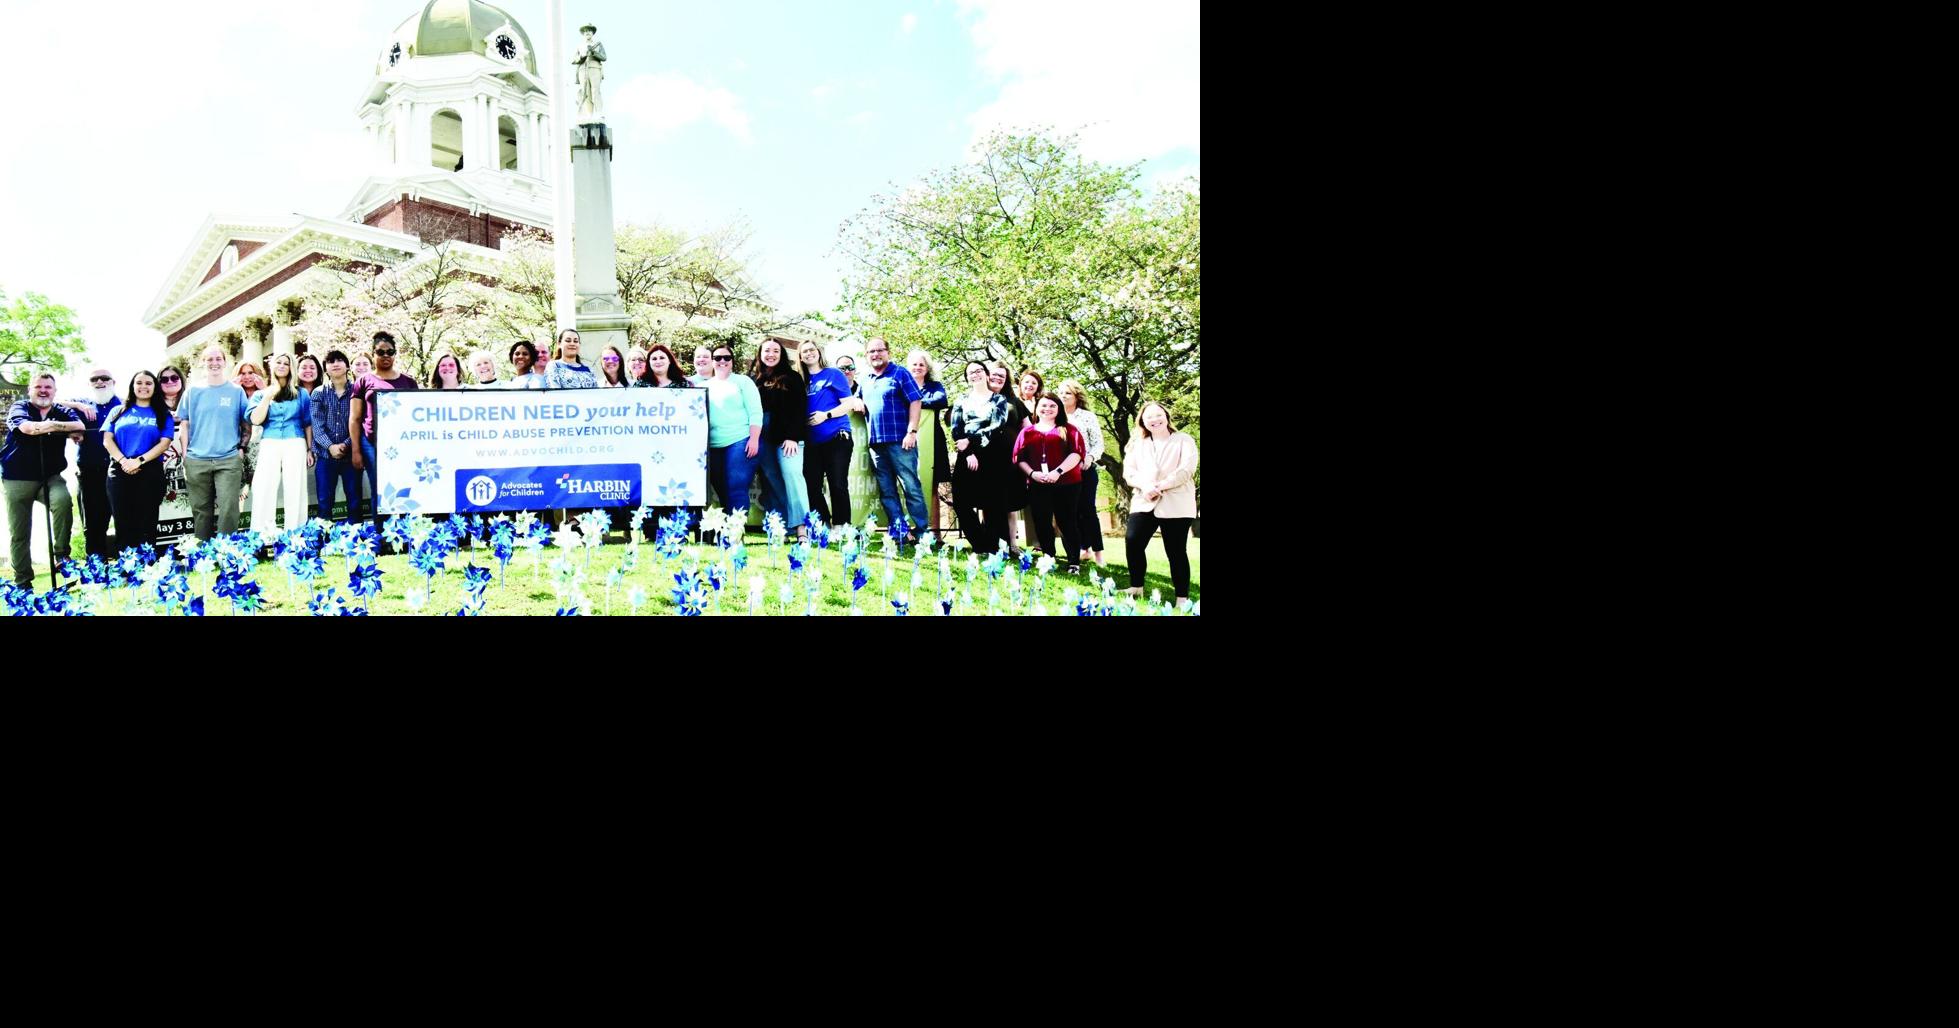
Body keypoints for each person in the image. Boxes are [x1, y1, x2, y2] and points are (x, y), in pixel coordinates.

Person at [3, 373, 86, 587]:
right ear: (30, 390)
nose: (43, 391)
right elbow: (27, 428)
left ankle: (62, 556)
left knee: (63, 501)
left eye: (48, 387)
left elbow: (80, 426)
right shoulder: (19, 407)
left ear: (55, 391)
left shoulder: (61, 410)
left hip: (50, 476)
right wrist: (61, 428)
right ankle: (23, 582)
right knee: (19, 532)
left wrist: (49, 426)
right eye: (38, 386)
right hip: (17, 478)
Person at [1121, 400, 1198, 610]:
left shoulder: (1184, 440)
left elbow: (1186, 469)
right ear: (1142, 422)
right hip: (1144, 500)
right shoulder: (1138, 444)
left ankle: (1182, 597)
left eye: (1158, 415)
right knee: (1133, 540)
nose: (1154, 420)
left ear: (1166, 416)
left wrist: (1161, 486)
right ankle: (1136, 587)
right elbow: (1129, 472)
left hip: (1176, 502)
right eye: (1149, 417)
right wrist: (1146, 487)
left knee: (1175, 550)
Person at [179, 345, 251, 542]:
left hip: (228, 459)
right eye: (209, 360)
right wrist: (185, 455)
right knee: (201, 510)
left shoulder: (236, 391)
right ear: (203, 363)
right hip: (197, 459)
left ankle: (225, 550)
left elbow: (246, 422)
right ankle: (203, 552)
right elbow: (184, 424)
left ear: (225, 363)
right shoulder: (192, 391)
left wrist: (241, 449)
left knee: (229, 507)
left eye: (218, 359)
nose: (214, 363)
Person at [348, 331, 420, 526]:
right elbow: (354, 418)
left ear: (395, 354)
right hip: (371, 442)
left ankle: (404, 534)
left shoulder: (409, 382)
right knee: (379, 488)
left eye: (390, 352)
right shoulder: (363, 382)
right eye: (381, 352)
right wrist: (356, 450)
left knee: (403, 485)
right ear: (374, 354)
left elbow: (417, 416)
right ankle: (382, 535)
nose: (386, 356)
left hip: (402, 442)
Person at [859, 338, 927, 538]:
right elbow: (857, 399)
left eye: (880, 350)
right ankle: (899, 532)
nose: (876, 354)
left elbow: (915, 401)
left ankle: (923, 533)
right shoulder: (865, 378)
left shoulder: (900, 373)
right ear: (867, 355)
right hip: (876, 445)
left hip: (901, 441)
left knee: (911, 487)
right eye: (871, 351)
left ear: (888, 352)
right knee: (887, 491)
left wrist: (912, 431)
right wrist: (856, 402)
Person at [102, 371, 176, 554]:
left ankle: (148, 564)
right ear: (132, 386)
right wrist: (124, 461)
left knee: (147, 520)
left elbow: (165, 442)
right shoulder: (117, 411)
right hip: (120, 470)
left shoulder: (162, 413)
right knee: (123, 520)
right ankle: (126, 567)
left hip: (150, 470)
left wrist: (139, 461)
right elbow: (107, 440)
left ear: (155, 387)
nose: (143, 386)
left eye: (148, 383)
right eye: (139, 383)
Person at [1012, 392, 1086, 574]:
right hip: (1038, 484)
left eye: (1052, 405)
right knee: (1041, 521)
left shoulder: (1069, 429)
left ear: (1059, 408)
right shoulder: (1027, 432)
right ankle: (1048, 558)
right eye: (1043, 405)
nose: (1047, 409)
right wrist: (1033, 473)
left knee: (1067, 521)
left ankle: (1073, 562)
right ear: (1037, 409)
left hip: (1067, 484)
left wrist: (1058, 472)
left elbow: (1076, 454)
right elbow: (1019, 458)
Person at [948, 361, 1012, 557]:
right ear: (967, 378)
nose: (974, 374)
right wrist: (968, 453)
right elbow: (956, 429)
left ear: (986, 374)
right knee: (961, 501)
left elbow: (997, 425)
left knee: (993, 503)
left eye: (978, 370)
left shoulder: (998, 400)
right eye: (970, 373)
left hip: (992, 455)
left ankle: (994, 547)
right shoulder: (961, 401)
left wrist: (971, 442)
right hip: (966, 455)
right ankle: (978, 543)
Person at [247, 352, 313, 540]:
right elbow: (255, 419)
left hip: (295, 440)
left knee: (295, 486)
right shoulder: (261, 394)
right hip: (270, 441)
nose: (282, 365)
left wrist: (309, 449)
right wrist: (268, 397)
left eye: (286, 363)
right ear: (272, 366)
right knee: (264, 485)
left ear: (291, 367)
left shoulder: (301, 394)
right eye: (279, 362)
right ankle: (263, 535)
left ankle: (295, 534)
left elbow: (307, 423)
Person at [749, 339, 809, 539]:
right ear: (760, 354)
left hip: (787, 439)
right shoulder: (753, 380)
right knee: (770, 480)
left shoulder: (792, 377)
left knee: (793, 476)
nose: (771, 355)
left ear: (782, 355)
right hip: (762, 439)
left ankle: (802, 527)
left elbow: (800, 409)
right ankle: (779, 527)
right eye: (767, 351)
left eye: (776, 351)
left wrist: (792, 436)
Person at [702, 341, 761, 540]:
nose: (722, 361)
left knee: (736, 486)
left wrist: (754, 439)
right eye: (717, 358)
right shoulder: (705, 386)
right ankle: (728, 531)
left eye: (726, 358)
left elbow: (755, 412)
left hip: (740, 440)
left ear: (732, 361)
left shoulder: (743, 382)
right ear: (711, 362)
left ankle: (735, 534)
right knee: (723, 490)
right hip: (714, 446)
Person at [800, 341, 855, 530]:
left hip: (837, 437)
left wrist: (826, 415)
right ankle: (823, 523)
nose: (809, 354)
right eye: (804, 351)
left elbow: (848, 403)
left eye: (812, 350)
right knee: (811, 484)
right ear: (800, 356)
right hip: (811, 442)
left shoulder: (833, 374)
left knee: (837, 484)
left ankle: (842, 526)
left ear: (819, 352)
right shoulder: (801, 380)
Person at [1055, 380, 1108, 569]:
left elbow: (1098, 443)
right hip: (1062, 473)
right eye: (1060, 392)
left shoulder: (1087, 417)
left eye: (1067, 393)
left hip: (1085, 470)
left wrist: (1090, 458)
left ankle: (1099, 553)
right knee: (1071, 513)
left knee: (1088, 511)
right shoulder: (1055, 417)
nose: (1063, 396)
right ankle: (1082, 549)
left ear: (1077, 396)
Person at [71, 365, 123, 559]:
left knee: (124, 517)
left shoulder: (125, 404)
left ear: (113, 383)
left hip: (120, 469)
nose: (99, 382)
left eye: (104, 378)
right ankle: (97, 567)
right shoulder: (81, 404)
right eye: (94, 379)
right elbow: (52, 403)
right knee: (93, 521)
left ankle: (127, 563)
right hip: (90, 471)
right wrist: (77, 406)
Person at [310, 349, 362, 523]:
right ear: (325, 368)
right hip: (326, 456)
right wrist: (331, 446)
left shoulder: (357, 390)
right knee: (325, 501)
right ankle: (324, 542)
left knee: (354, 500)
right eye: (331, 361)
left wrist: (346, 445)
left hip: (351, 455)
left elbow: (360, 421)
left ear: (347, 366)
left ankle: (356, 539)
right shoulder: (318, 393)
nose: (336, 364)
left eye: (340, 360)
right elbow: (317, 426)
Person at [907, 350, 951, 530]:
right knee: (909, 484)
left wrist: (914, 402)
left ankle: (935, 531)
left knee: (932, 485)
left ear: (927, 368)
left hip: (933, 440)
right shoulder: (903, 384)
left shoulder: (935, 386)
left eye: (921, 365)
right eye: (914, 364)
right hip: (908, 439)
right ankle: (910, 529)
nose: (917, 367)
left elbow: (941, 400)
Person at [988, 362, 1028, 554]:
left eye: (1001, 377)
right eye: (994, 375)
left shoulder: (1015, 402)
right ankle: (992, 544)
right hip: (986, 459)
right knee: (989, 503)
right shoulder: (979, 399)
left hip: (1010, 460)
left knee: (1010, 504)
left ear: (1006, 381)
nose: (997, 379)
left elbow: (1028, 429)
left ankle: (1012, 544)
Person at [573, 24, 606, 119]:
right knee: (585, 92)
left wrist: (594, 53)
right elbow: (573, 59)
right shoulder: (580, 46)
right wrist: (581, 56)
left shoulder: (598, 45)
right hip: (583, 69)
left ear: (592, 33)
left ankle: (599, 112)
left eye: (589, 31)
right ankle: (588, 115)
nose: (587, 32)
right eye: (585, 31)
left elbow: (604, 57)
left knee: (595, 90)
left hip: (594, 68)